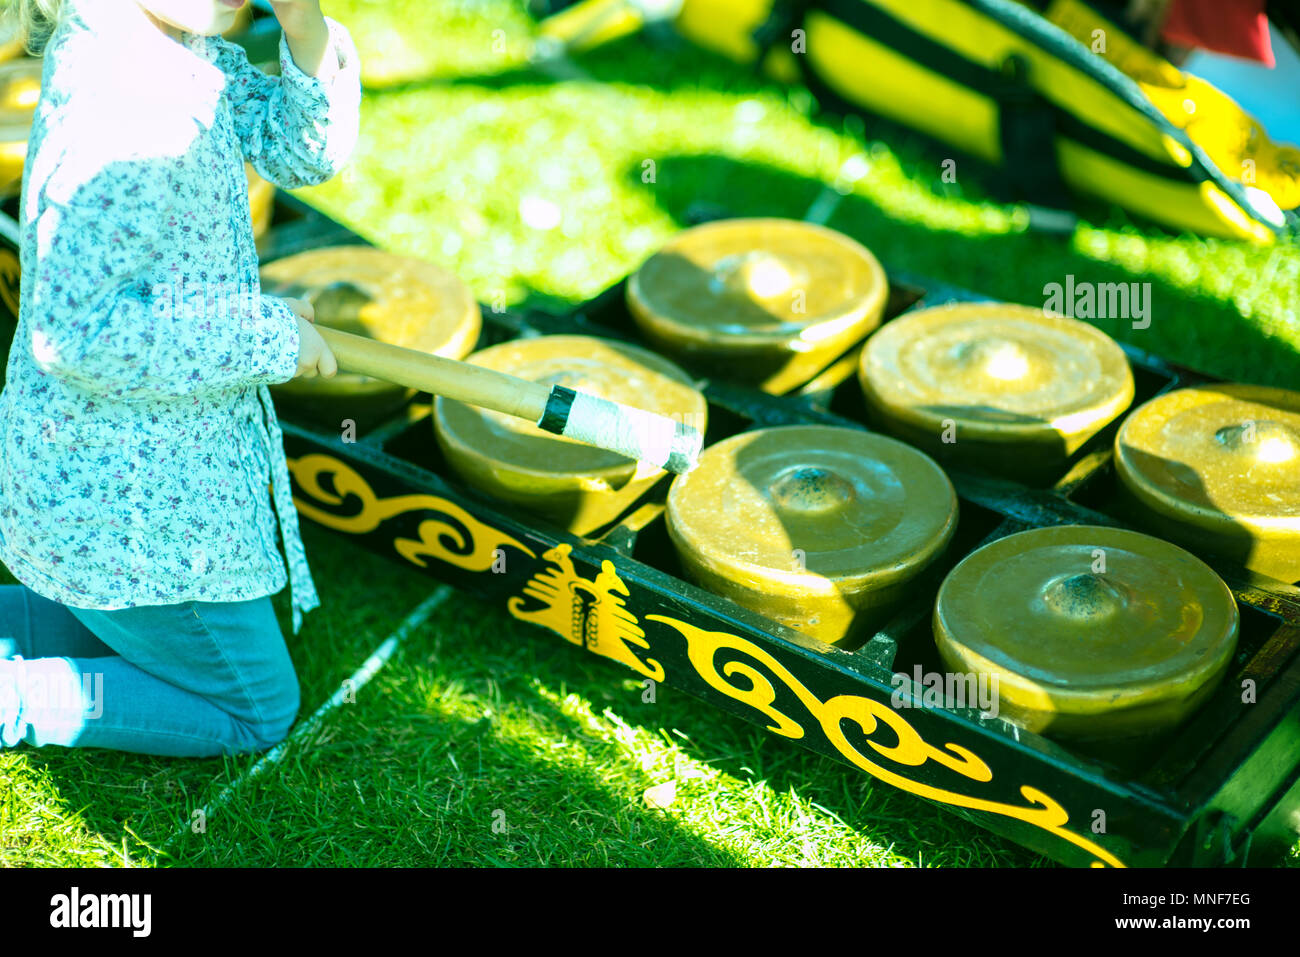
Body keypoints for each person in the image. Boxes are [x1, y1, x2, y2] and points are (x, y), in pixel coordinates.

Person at [0, 0, 359, 755]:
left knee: (123, 618)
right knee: (256, 706)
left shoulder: (172, 46)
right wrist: (264, 335)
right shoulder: (118, 106)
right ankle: (15, 700)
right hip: (125, 490)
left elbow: (297, 153)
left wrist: (305, 30)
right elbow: (77, 334)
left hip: (140, 464)